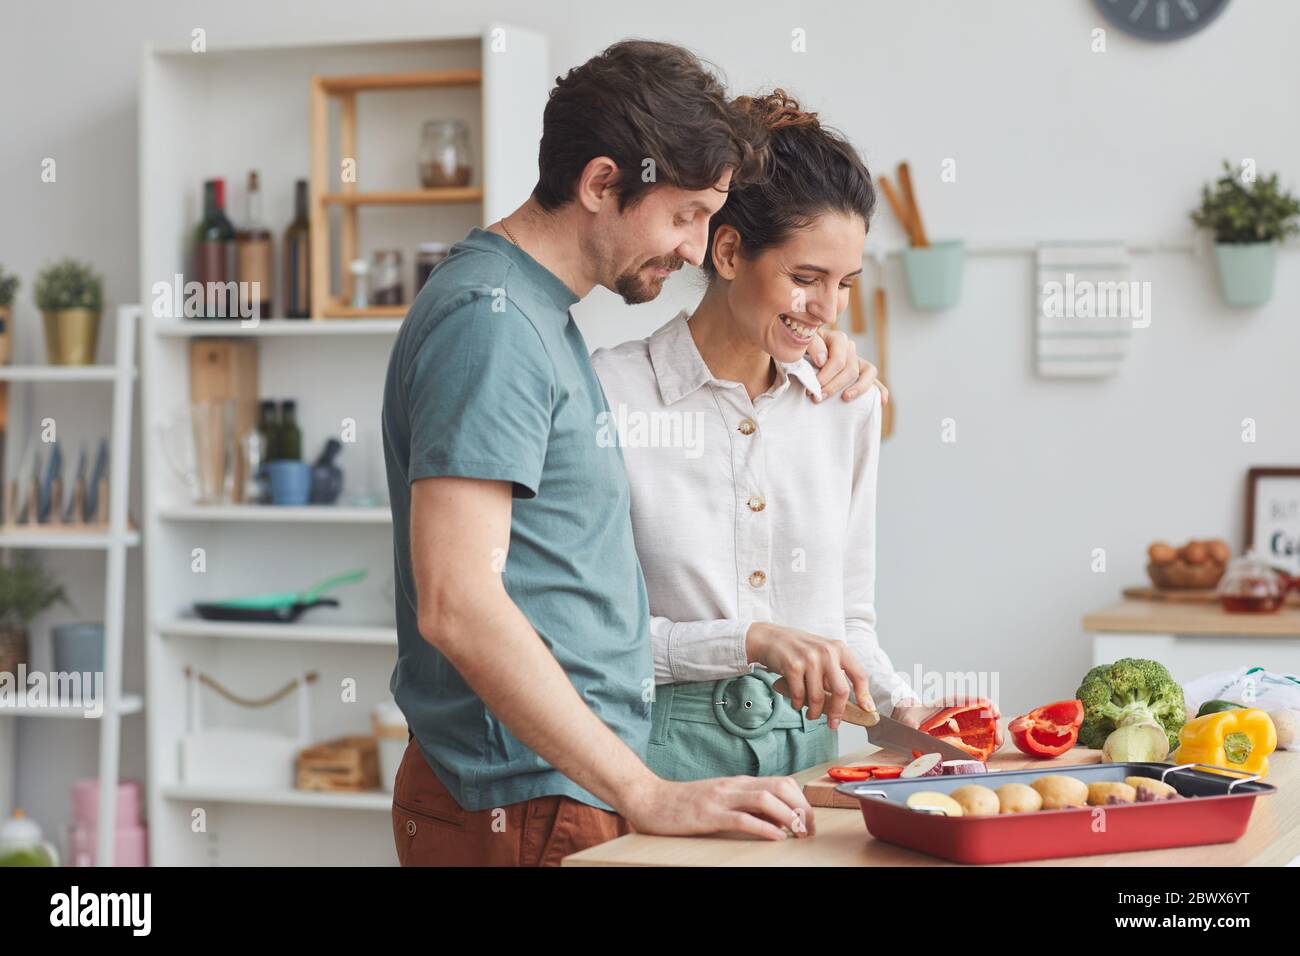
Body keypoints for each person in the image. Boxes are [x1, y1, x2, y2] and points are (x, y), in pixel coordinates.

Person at [382, 41, 883, 867]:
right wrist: (647, 791)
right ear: (602, 184)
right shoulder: (493, 323)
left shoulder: (537, 320)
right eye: (685, 216)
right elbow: (456, 603)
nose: (695, 249)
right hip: (522, 793)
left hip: (561, 789)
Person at [591, 90, 934, 781]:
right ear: (727, 251)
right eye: (805, 278)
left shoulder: (847, 405)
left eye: (844, 284)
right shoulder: (608, 396)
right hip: (648, 758)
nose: (827, 309)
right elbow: (589, 641)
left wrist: (905, 710)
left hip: (809, 758)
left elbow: (849, 619)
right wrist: (745, 642)